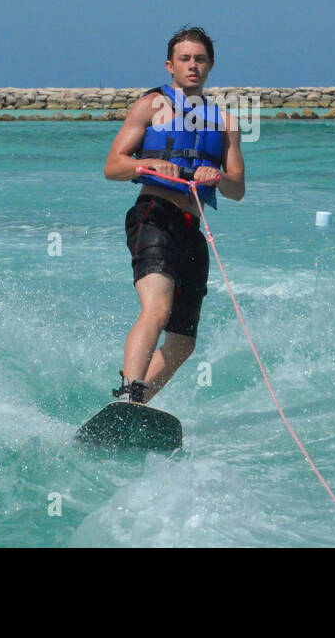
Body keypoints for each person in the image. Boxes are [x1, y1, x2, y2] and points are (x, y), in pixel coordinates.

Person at [102, 26, 245, 404]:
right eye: (185, 59)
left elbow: (237, 190)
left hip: (192, 231)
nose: (193, 65)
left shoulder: (226, 123)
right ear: (170, 65)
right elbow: (112, 167)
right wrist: (148, 164)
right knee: (158, 307)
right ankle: (129, 390)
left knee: (183, 341)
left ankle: (133, 404)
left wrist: (217, 177)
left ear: (211, 65)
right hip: (154, 216)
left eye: (200, 59)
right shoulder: (150, 106)